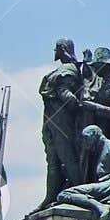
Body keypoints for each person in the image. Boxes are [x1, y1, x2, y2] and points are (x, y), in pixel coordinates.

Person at [37, 38, 86, 209]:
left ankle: (80, 192)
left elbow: (67, 93)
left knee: (66, 155)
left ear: (63, 49)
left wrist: (72, 100)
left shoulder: (69, 69)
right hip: (51, 117)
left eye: (56, 48)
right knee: (53, 158)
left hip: (62, 119)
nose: (54, 52)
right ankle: (50, 196)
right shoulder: (64, 68)